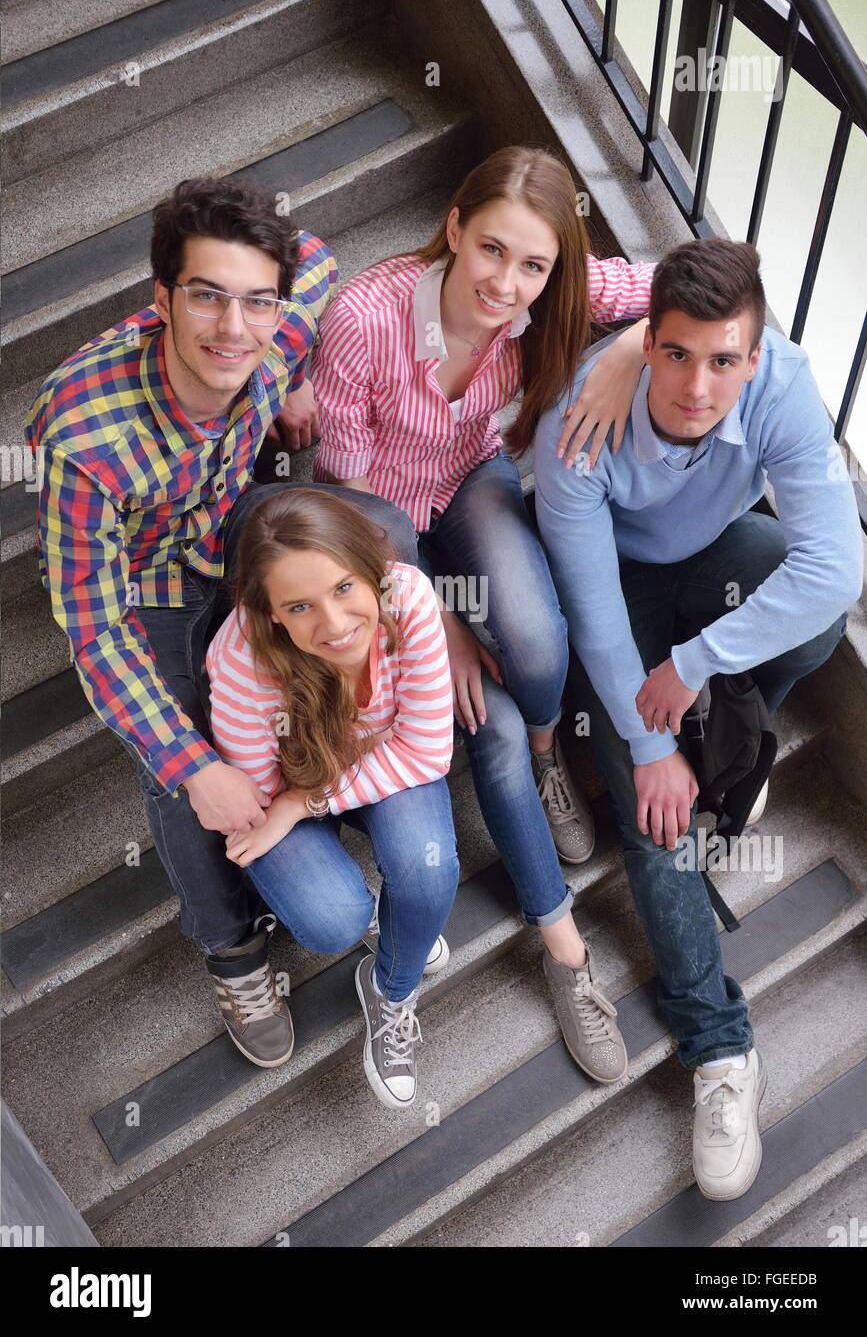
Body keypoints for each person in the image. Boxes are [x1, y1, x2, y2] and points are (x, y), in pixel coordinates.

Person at [24, 175, 418, 1070]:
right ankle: (233, 951)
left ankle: (369, 743)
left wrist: (296, 387)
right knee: (178, 769)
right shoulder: (84, 440)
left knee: (379, 536)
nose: (234, 329)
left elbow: (312, 256)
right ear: (161, 299)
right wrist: (193, 763)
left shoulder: (276, 335)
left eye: (255, 302)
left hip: (230, 524)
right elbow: (92, 627)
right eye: (206, 296)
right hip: (146, 582)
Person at [310, 145, 655, 1081]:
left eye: (534, 265)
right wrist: (437, 618)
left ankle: (551, 759)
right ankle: (569, 957)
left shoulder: (547, 303)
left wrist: (625, 348)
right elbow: (341, 502)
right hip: (372, 528)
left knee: (539, 646)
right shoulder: (366, 320)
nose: (507, 283)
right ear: (455, 229)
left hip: (469, 481)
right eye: (492, 250)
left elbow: (694, 279)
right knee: (487, 721)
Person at [531, 237, 863, 1199]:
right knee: (655, 813)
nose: (696, 384)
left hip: (717, 555)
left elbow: (837, 571)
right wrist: (646, 746)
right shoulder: (579, 428)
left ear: (755, 358)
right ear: (648, 341)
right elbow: (591, 614)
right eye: (673, 354)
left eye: (723, 361)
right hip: (620, 582)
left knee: (809, 613)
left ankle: (731, 751)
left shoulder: (782, 380)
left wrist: (694, 665)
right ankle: (720, 1049)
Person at [205, 490, 458, 1108]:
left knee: (426, 870)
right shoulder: (243, 661)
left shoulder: (409, 598)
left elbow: (426, 751)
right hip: (289, 785)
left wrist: (305, 802)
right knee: (329, 921)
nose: (336, 624)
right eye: (300, 606)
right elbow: (263, 793)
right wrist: (293, 803)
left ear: (372, 572)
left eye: (345, 588)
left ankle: (391, 991)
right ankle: (376, 919)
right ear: (271, 615)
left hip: (370, 767)